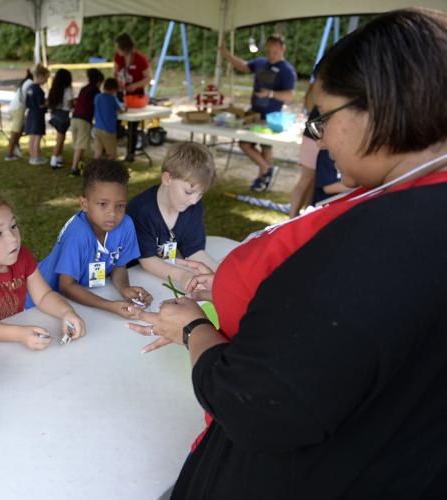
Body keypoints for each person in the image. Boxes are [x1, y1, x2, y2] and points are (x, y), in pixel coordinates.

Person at [127, 9, 447, 498]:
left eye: (320, 118)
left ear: (379, 104)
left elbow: (263, 404)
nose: (314, 137)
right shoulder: (406, 200)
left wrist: (193, 331)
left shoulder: (400, 231)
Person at [0, 194, 86, 350]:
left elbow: (43, 296)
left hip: (13, 336)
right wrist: (20, 334)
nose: (13, 238)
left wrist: (66, 312)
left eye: (13, 226)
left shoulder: (22, 256)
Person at [36, 159, 153, 319]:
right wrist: (109, 305)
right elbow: (66, 286)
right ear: (84, 204)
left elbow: (118, 265)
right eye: (103, 204)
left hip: (84, 297)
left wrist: (124, 288)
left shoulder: (125, 224)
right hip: (44, 300)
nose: (112, 213)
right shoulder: (78, 233)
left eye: (120, 205)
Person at [127, 142, 218, 291]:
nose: (194, 200)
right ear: (167, 179)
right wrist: (183, 277)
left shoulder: (192, 206)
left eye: (200, 194)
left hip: (160, 278)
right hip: (133, 278)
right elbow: (147, 260)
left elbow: (194, 251)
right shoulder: (141, 210)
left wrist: (222, 272)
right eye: (189, 192)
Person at [219, 34, 296, 192]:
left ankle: (262, 180)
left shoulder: (287, 70)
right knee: (244, 143)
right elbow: (243, 66)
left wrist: (270, 94)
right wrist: (226, 54)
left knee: (266, 147)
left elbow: (290, 96)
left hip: (271, 116)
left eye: (274, 51)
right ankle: (266, 170)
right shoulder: (261, 62)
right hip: (253, 112)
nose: (270, 54)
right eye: (268, 50)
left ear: (282, 49)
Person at [113, 33, 151, 162]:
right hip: (120, 92)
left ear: (125, 47)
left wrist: (135, 85)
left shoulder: (140, 58)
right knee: (115, 120)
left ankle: (130, 154)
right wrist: (117, 84)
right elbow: (115, 72)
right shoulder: (118, 57)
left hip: (136, 93)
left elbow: (148, 77)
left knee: (133, 124)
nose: (117, 50)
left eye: (118, 47)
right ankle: (112, 146)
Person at [69, 68, 104, 176]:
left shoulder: (84, 89)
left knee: (77, 143)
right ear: (98, 81)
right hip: (84, 120)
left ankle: (79, 164)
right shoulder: (96, 92)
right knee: (81, 145)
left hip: (74, 118)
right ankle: (74, 168)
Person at [5, 68, 35, 161]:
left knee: (19, 130)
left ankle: (14, 149)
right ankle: (9, 154)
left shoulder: (27, 81)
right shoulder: (30, 83)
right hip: (18, 108)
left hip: (16, 107)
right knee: (15, 131)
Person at [47, 68, 74, 169]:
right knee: (61, 138)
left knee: (59, 137)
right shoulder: (68, 89)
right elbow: (70, 104)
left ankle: (58, 157)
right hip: (63, 115)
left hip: (54, 114)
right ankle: (54, 160)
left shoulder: (55, 88)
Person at [93, 78, 125, 160]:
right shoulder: (112, 99)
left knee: (98, 153)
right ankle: (108, 170)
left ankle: (95, 168)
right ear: (114, 89)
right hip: (108, 130)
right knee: (112, 155)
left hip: (97, 128)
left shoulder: (97, 97)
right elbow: (121, 110)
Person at [24, 65, 50, 166]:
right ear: (40, 76)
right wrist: (48, 102)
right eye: (46, 78)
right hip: (37, 115)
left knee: (32, 136)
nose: (46, 81)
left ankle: (32, 156)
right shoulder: (39, 90)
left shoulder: (30, 88)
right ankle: (36, 157)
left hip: (30, 114)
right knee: (37, 136)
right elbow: (41, 105)